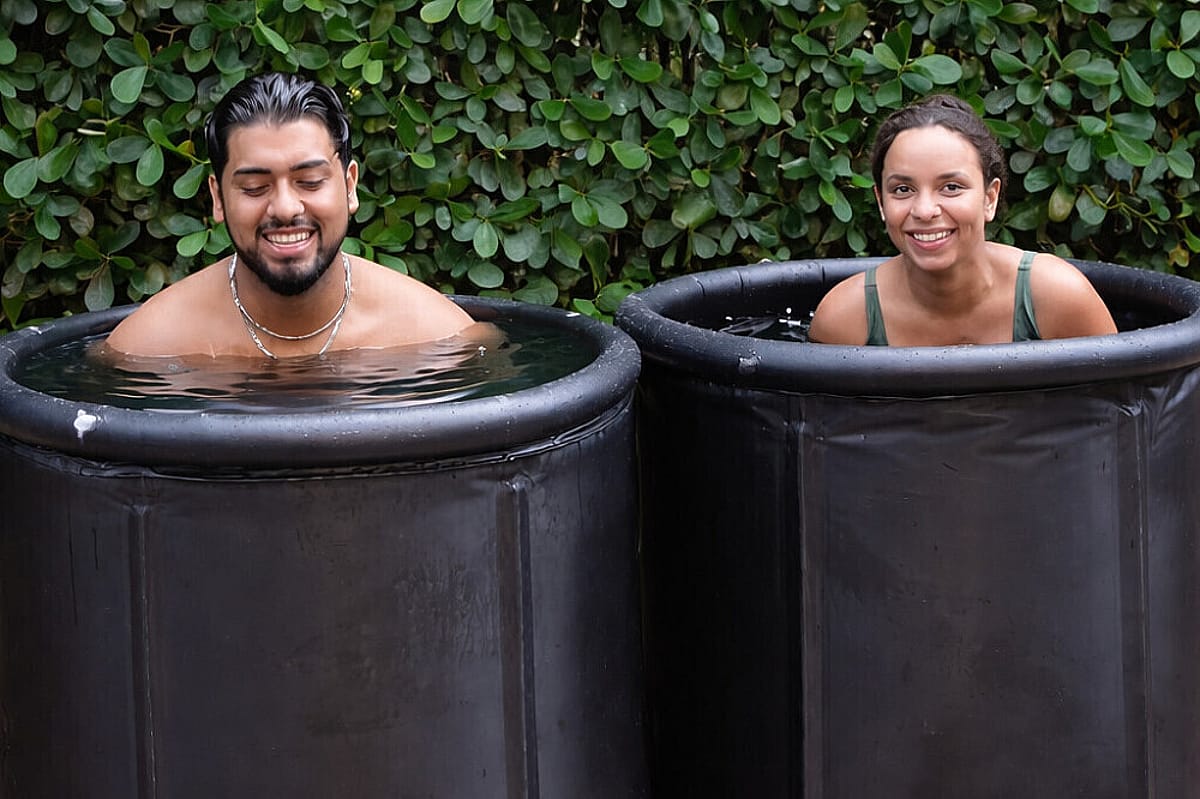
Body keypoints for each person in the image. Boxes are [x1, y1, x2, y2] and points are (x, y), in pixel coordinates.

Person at [105, 72, 483, 358]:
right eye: (255, 187)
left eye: (310, 182)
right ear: (218, 198)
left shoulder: (438, 338)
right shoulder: (147, 347)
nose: (285, 208)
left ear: (349, 186)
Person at [808, 94, 1117, 346]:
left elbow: (1120, 401)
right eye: (903, 189)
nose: (925, 210)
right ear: (881, 202)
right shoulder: (845, 319)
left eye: (951, 187)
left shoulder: (1057, 296)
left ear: (990, 198)